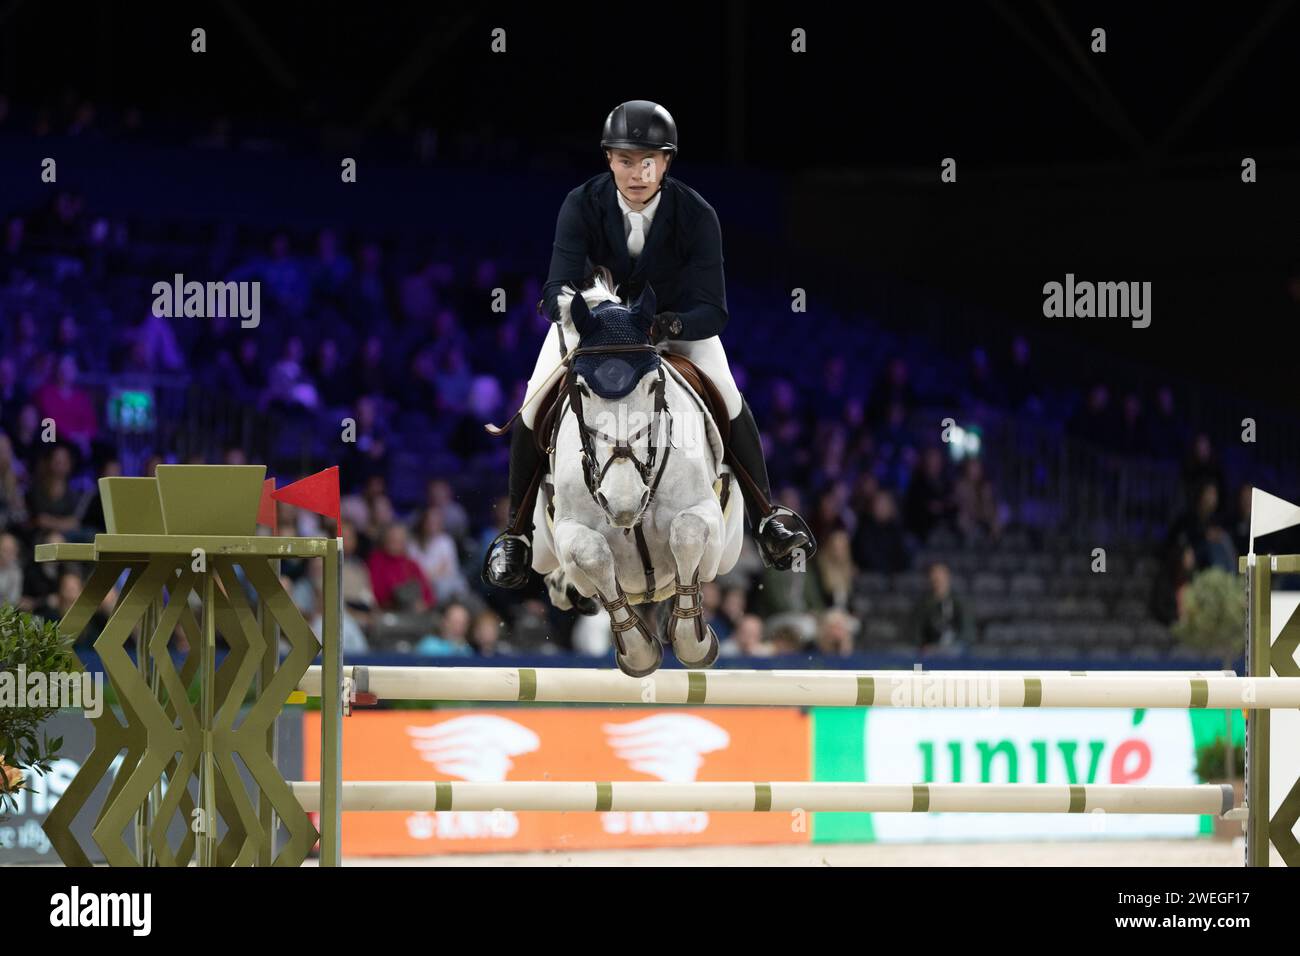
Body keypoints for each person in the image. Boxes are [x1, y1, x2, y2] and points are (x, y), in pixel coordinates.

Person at [484, 100, 813, 591]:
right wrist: (579, 315)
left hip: (672, 332)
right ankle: (517, 535)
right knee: (533, 405)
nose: (636, 172)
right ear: (608, 159)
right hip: (595, 332)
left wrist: (667, 326)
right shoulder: (581, 203)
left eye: (649, 160)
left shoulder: (697, 213)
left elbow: (714, 308)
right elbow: (555, 287)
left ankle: (767, 516)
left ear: (666, 162)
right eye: (624, 159)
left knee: (728, 395)